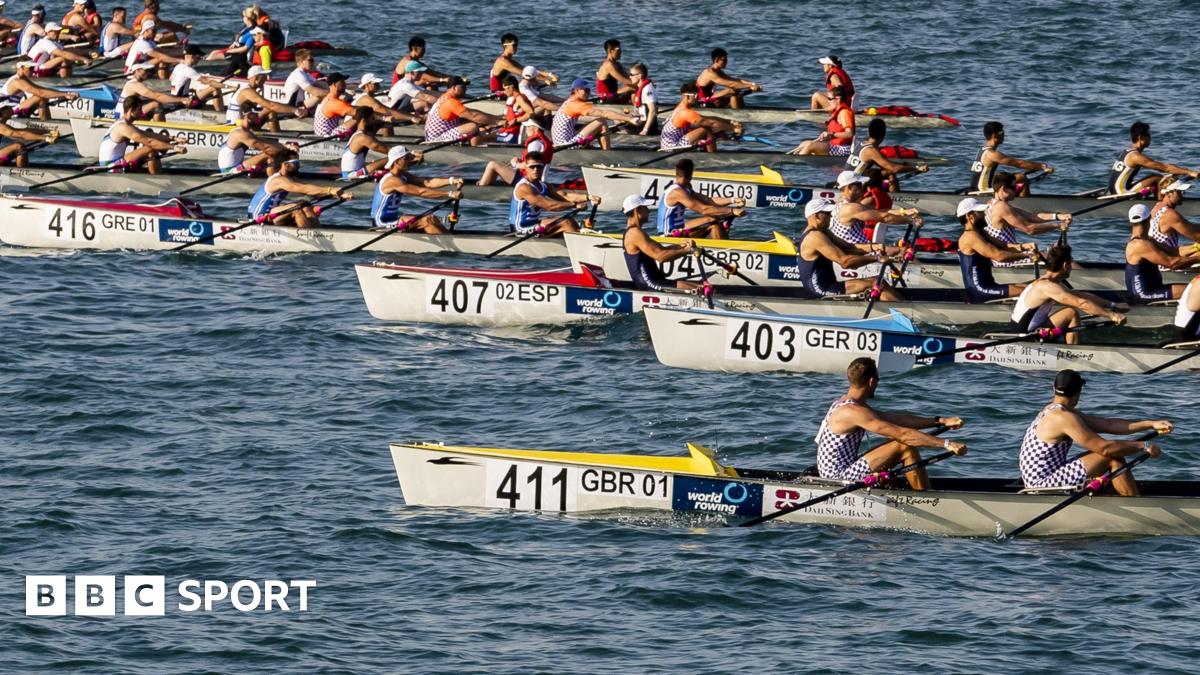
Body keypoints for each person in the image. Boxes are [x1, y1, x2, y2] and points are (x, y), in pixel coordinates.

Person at [816, 357, 966, 491]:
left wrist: (939, 421)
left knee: (899, 443)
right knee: (904, 445)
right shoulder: (853, 411)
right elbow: (903, 435)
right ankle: (927, 499)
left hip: (843, 466)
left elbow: (896, 420)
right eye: (878, 380)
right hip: (836, 476)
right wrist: (947, 444)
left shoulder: (846, 403)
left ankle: (920, 491)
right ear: (871, 382)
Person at [1019, 370, 1169, 496]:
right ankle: (1139, 506)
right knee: (1112, 457)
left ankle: (1123, 495)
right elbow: (1105, 448)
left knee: (1111, 459)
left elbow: (1108, 424)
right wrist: (1144, 446)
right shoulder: (1063, 418)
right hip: (1041, 483)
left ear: (1054, 389)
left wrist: (1151, 424)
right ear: (1078, 392)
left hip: (1049, 473)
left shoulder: (1055, 410)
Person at [1010, 245, 1128, 343]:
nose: (1072, 267)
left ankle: (1064, 339)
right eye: (1071, 263)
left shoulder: (1049, 283)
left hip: (1035, 330)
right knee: (1070, 313)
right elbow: (1081, 303)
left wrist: (1113, 305)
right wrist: (1111, 315)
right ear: (1066, 265)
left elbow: (1083, 296)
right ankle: (1072, 353)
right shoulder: (1046, 287)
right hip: (1026, 335)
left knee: (1070, 313)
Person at [797, 197, 904, 301]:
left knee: (880, 282)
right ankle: (908, 310)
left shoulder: (823, 232)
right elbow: (845, 262)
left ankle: (906, 307)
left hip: (830, 284)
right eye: (827, 213)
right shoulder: (814, 237)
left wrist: (876, 247)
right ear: (817, 216)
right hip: (821, 289)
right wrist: (877, 258)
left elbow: (850, 248)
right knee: (875, 283)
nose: (831, 216)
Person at [979, 172, 1071, 268]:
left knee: (1052, 254)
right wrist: (1057, 226)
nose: (1017, 190)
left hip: (1008, 254)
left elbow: (1030, 216)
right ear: (1004, 189)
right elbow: (1029, 229)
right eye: (1014, 187)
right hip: (1006, 261)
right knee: (1060, 258)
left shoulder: (991, 203)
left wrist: (1057, 216)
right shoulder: (1002, 207)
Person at [956, 197, 1038, 302]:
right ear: (969, 216)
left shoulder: (981, 232)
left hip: (990, 286)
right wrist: (1027, 255)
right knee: (1034, 291)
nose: (985, 215)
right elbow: (1000, 256)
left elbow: (1005, 246)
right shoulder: (970, 237)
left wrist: (1024, 247)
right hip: (980, 290)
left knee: (1033, 287)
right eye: (980, 212)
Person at [371, 145, 463, 235]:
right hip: (381, 224)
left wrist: (451, 180)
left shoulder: (403, 176)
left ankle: (451, 239)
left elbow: (428, 183)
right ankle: (450, 246)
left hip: (393, 220)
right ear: (397, 161)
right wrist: (449, 193)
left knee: (432, 218)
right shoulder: (392, 180)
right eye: (406, 158)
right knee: (426, 221)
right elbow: (420, 192)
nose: (410, 161)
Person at [247, 153, 352, 228]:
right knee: (297, 208)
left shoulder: (290, 178)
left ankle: (317, 231)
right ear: (286, 165)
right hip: (260, 217)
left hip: (273, 214)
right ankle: (308, 235)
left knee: (304, 204)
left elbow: (311, 191)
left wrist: (339, 195)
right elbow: (303, 189)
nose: (299, 166)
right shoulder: (278, 180)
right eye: (296, 163)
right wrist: (330, 189)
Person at [1124, 203, 1200, 304]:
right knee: (1196, 292)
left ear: (1131, 222)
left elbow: (1175, 252)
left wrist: (1196, 247)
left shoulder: (1148, 240)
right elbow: (1172, 263)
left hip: (1155, 288)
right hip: (1144, 294)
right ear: (1149, 219)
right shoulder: (1139, 245)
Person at [621, 194, 698, 291]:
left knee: (701, 287)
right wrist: (688, 251)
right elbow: (661, 256)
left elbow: (662, 250)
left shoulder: (635, 232)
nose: (648, 211)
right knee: (700, 290)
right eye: (646, 208)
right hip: (651, 284)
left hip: (656, 281)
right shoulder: (634, 233)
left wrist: (680, 245)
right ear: (637, 211)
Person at [508, 153, 597, 236]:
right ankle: (579, 245)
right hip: (520, 230)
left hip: (535, 224)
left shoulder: (544, 185)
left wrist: (589, 197)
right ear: (525, 168)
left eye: (538, 167)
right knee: (566, 222)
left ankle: (578, 237)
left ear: (543, 168)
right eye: (532, 167)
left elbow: (565, 195)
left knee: (569, 221)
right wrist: (574, 205)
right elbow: (549, 206)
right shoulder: (524, 187)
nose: (535, 170)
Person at [654, 158, 744, 239]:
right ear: (691, 174)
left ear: (677, 173)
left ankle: (719, 244)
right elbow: (704, 209)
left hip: (679, 229)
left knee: (714, 219)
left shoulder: (685, 188)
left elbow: (709, 201)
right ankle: (725, 250)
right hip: (669, 236)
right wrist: (732, 211)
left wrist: (733, 200)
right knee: (713, 221)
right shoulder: (677, 192)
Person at [827, 170, 922, 245]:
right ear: (850, 187)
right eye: (859, 185)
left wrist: (904, 211)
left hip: (860, 246)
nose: (862, 187)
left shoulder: (845, 202)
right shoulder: (851, 207)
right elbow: (884, 217)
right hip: (855, 250)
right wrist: (911, 221)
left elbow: (880, 211)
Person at [98, 94, 186, 173]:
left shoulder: (124, 123)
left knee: (151, 151)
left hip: (117, 164)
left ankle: (157, 176)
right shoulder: (123, 127)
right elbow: (150, 142)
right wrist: (174, 147)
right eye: (139, 110)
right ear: (131, 110)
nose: (142, 112)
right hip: (110, 168)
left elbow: (149, 135)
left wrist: (174, 138)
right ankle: (158, 180)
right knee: (150, 148)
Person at [1108, 121, 1200, 197]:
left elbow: (1164, 167)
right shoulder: (1135, 157)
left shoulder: (1127, 152)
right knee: (1157, 178)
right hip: (1121, 193)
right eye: (1148, 135)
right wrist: (1189, 172)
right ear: (1141, 138)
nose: (1150, 137)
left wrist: (1183, 171)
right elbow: (1165, 168)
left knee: (1159, 176)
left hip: (1115, 191)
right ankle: (1161, 206)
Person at [968, 121, 1053, 195]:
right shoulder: (992, 154)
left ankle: (1017, 195)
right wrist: (1042, 166)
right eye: (1002, 132)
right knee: (1021, 177)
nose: (1004, 135)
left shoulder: (982, 150)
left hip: (975, 189)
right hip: (983, 192)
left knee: (1011, 176)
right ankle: (1026, 204)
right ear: (994, 135)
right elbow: (1019, 163)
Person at [550, 78, 636, 150]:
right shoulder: (576, 105)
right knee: (601, 121)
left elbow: (601, 110)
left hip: (562, 141)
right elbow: (604, 113)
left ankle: (594, 146)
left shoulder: (570, 101)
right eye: (586, 90)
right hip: (566, 146)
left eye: (589, 90)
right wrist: (629, 119)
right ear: (577, 91)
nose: (589, 92)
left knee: (594, 122)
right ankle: (607, 153)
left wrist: (622, 117)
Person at [846, 119, 927, 190]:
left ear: (869, 132)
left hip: (847, 180)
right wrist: (917, 168)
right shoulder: (871, 150)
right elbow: (894, 168)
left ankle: (891, 195)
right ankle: (897, 199)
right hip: (852, 186)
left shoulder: (862, 143)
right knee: (891, 172)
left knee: (886, 171)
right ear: (884, 134)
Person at [659, 82, 741, 152]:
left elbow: (707, 119)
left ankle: (707, 147)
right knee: (705, 130)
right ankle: (713, 157)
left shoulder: (682, 108)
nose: (698, 99)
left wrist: (730, 121)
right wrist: (733, 128)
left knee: (707, 126)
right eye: (696, 96)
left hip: (675, 141)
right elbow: (711, 123)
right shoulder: (685, 112)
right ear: (687, 97)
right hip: (671, 147)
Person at [477, 117, 555, 186]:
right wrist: (518, 162)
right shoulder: (541, 141)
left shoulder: (535, 144)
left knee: (492, 164)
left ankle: (481, 189)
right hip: (532, 178)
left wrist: (516, 164)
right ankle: (487, 185)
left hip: (527, 181)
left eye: (528, 127)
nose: (526, 129)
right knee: (502, 166)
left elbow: (531, 165)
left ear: (536, 129)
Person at [424, 76, 500, 145]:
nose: (465, 89)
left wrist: (492, 119)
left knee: (478, 124)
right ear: (453, 88)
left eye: (465, 87)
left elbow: (471, 115)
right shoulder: (450, 102)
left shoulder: (445, 97)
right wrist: (497, 121)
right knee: (472, 127)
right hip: (435, 139)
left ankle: (478, 143)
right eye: (462, 87)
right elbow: (473, 115)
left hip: (441, 132)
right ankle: (477, 151)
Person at [228, 65, 299, 132]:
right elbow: (271, 105)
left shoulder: (250, 88)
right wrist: (295, 110)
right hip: (236, 125)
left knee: (270, 111)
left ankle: (276, 136)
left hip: (245, 121)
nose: (266, 79)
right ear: (256, 78)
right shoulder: (247, 92)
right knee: (270, 108)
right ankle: (277, 137)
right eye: (264, 76)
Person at [1, 60, 79, 119]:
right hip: (4, 112)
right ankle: (45, 124)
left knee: (42, 96)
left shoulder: (23, 79)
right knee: (40, 97)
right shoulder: (17, 81)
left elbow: (42, 89)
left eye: (33, 68)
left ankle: (45, 122)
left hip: (12, 108)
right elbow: (41, 93)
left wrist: (65, 94)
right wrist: (65, 94)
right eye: (30, 68)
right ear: (20, 68)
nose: (33, 71)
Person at [218, 108, 286, 175]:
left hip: (237, 166)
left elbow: (264, 142)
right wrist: (287, 148)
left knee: (272, 154)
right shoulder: (241, 133)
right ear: (246, 117)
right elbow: (265, 147)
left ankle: (275, 173)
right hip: (230, 171)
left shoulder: (240, 130)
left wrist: (283, 145)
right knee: (268, 153)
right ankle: (273, 179)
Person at [790, 86, 853, 156]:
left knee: (810, 145)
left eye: (830, 99)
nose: (828, 101)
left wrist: (831, 134)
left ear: (838, 99)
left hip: (843, 150)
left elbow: (849, 133)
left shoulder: (844, 112)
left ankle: (798, 161)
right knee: (805, 143)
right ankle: (797, 158)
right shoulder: (838, 111)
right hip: (834, 146)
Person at [1147, 176, 1200, 258]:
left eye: (1183, 192)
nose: (1183, 195)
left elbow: (1189, 227)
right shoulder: (1169, 214)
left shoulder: (1157, 207)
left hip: (1163, 256)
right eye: (1179, 192)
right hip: (1166, 263)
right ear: (1168, 193)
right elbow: (1197, 236)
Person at [115, 62, 189, 120]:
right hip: (124, 115)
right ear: (137, 71)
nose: (148, 73)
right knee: (156, 104)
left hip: (124, 112)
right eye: (146, 71)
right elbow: (157, 96)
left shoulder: (133, 82)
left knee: (153, 106)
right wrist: (182, 99)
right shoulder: (135, 84)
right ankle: (160, 130)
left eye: (150, 71)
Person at [489, 33, 557, 95]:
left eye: (517, 45)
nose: (516, 48)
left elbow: (528, 70)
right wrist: (545, 79)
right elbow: (525, 74)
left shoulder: (509, 60)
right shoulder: (502, 61)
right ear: (505, 46)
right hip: (498, 93)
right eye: (514, 45)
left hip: (508, 90)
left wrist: (549, 75)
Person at [695, 47, 761, 109]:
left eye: (727, 59)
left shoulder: (718, 71)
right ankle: (737, 114)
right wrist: (749, 86)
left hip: (711, 97)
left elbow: (735, 80)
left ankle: (741, 111)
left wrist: (753, 84)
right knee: (731, 90)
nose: (726, 62)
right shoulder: (709, 73)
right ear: (716, 60)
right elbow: (731, 84)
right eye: (724, 60)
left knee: (737, 93)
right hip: (702, 102)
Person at [339, 107, 393, 178]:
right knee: (395, 157)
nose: (374, 120)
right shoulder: (362, 137)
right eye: (372, 118)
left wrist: (386, 120)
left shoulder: (360, 133)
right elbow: (383, 148)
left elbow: (386, 124)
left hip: (356, 171)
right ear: (364, 120)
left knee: (396, 159)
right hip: (352, 175)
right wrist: (406, 153)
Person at [352, 73, 421, 129]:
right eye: (375, 83)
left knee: (384, 118)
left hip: (361, 123)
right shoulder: (366, 98)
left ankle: (389, 137)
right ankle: (388, 138)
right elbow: (387, 111)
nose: (378, 85)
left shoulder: (371, 96)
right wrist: (412, 117)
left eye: (378, 83)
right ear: (367, 85)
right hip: (354, 126)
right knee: (386, 119)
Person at [27, 22, 93, 77]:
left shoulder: (53, 42)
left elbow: (69, 50)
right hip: (34, 71)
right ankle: (66, 82)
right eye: (55, 31)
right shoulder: (45, 42)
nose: (58, 33)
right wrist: (83, 59)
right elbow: (64, 54)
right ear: (48, 33)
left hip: (42, 66)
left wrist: (89, 53)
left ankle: (65, 76)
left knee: (67, 56)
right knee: (64, 58)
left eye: (58, 31)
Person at [495, 76, 534, 144]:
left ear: (511, 87)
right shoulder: (513, 98)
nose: (504, 92)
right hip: (507, 130)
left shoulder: (519, 98)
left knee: (484, 136)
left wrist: (515, 120)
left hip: (513, 134)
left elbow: (531, 112)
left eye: (505, 89)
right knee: (483, 130)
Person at [595, 38, 633, 103]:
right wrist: (641, 84)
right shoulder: (608, 65)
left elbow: (629, 78)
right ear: (610, 51)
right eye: (618, 49)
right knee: (632, 88)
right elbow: (625, 81)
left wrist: (643, 82)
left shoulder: (618, 64)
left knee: (634, 87)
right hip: (605, 97)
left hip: (614, 94)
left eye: (621, 49)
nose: (621, 51)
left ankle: (638, 105)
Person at [629, 62, 658, 136]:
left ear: (639, 76)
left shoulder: (647, 89)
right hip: (641, 122)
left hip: (648, 127)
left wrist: (645, 130)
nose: (630, 77)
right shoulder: (640, 88)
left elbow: (653, 111)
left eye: (632, 75)